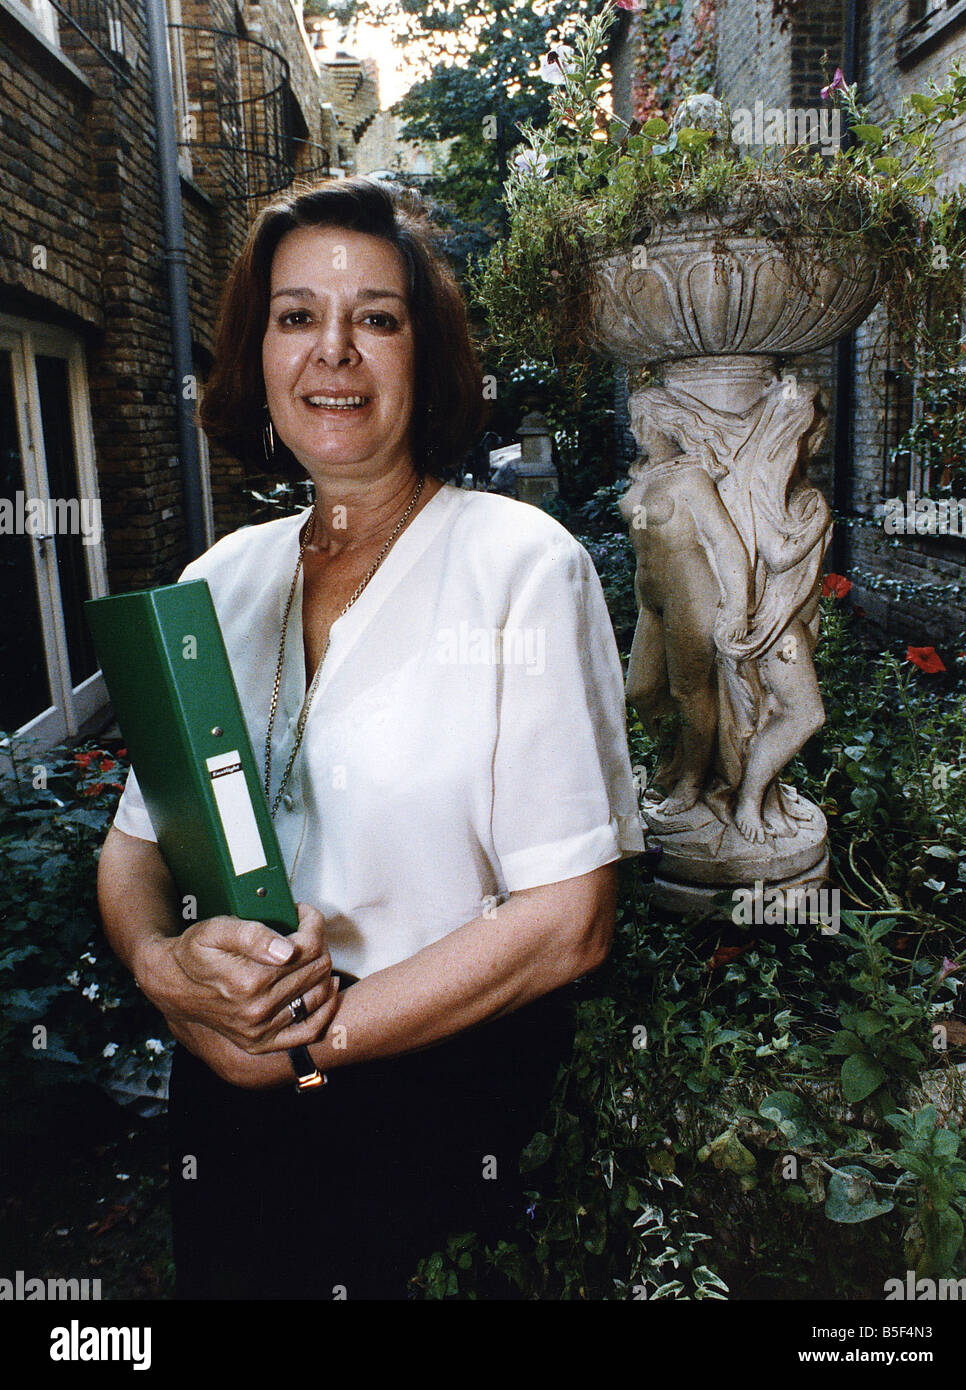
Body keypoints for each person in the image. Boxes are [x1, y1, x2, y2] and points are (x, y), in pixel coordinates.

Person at [96, 176, 645, 1300]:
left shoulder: (520, 567)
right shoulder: (216, 583)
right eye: (295, 317)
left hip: (427, 1106)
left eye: (375, 319)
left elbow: (566, 924)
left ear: (423, 355)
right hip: (224, 1087)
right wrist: (166, 974)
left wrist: (302, 1048)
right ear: (257, 356)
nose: (332, 353)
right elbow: (134, 847)